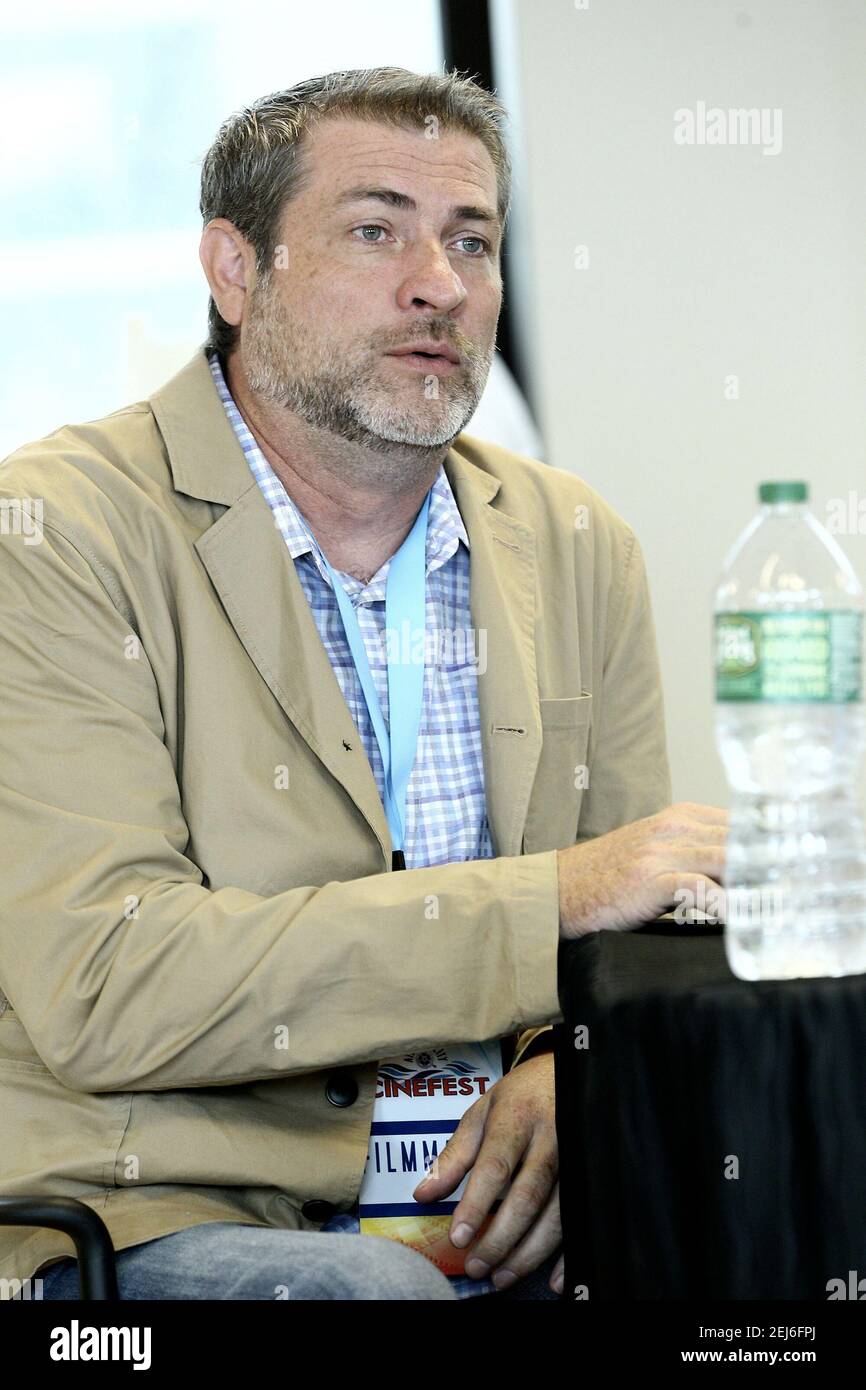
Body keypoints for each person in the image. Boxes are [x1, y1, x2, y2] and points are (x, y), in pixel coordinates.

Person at [0, 67, 727, 1302]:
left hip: (501, 1199)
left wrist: (567, 1060)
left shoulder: (574, 541)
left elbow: (636, 932)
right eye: (376, 227)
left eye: (472, 240)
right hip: (161, 1206)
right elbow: (109, 986)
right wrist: (549, 899)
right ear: (234, 270)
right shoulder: (55, 534)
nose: (439, 283)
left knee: (783, 1221)